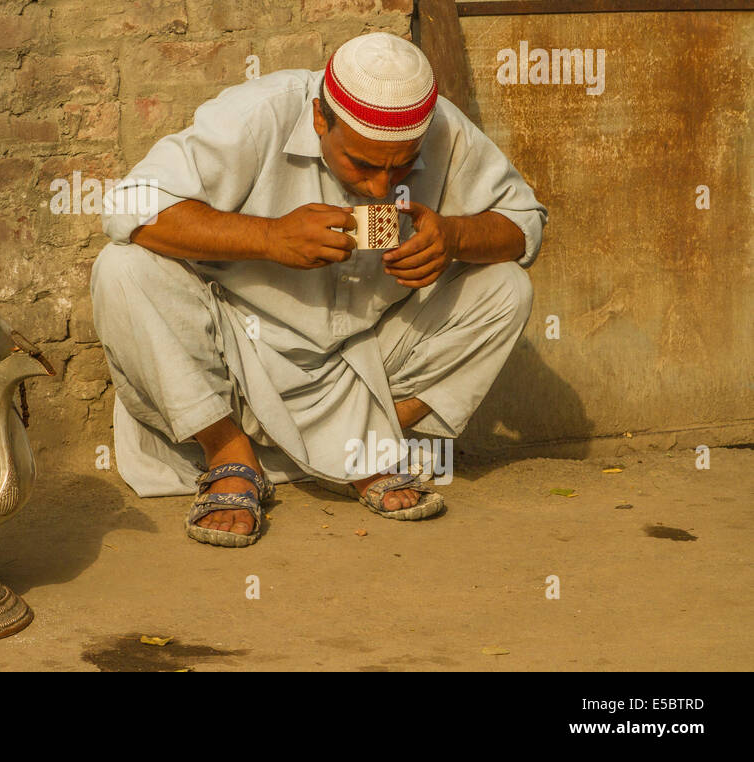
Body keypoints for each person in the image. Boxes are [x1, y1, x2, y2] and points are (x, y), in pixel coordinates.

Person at [90, 32, 547, 547]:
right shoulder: (257, 115)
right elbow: (128, 207)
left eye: (402, 165)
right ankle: (228, 452)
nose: (382, 185)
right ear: (319, 119)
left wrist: (454, 236)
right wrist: (269, 237)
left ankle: (363, 441)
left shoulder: (442, 125)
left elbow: (523, 223)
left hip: (365, 358)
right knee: (122, 268)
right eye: (364, 164)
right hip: (236, 353)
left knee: (505, 286)